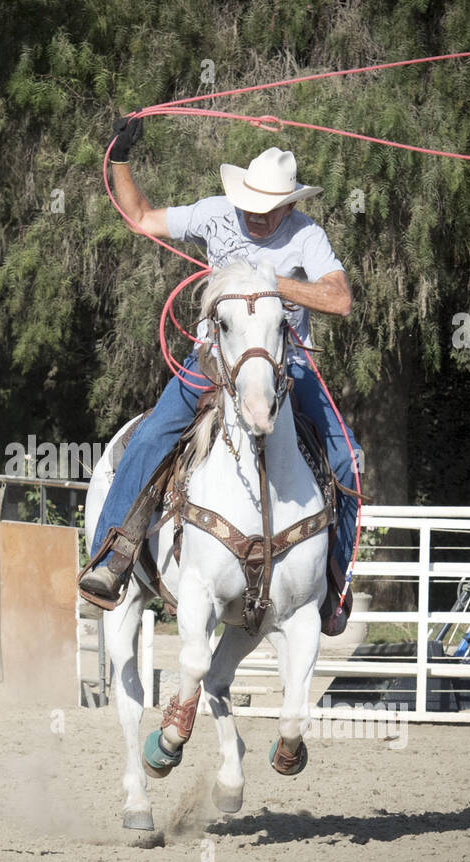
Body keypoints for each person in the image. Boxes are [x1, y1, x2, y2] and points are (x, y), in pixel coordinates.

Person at [81, 115, 362, 636]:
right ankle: (110, 558)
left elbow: (339, 298)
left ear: (290, 206)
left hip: (286, 364)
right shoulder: (215, 214)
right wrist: (119, 160)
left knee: (347, 461)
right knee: (151, 438)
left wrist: (267, 283)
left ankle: (332, 586)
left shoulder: (307, 237)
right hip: (211, 360)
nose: (255, 219)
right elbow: (141, 216)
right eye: (251, 208)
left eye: (267, 211)